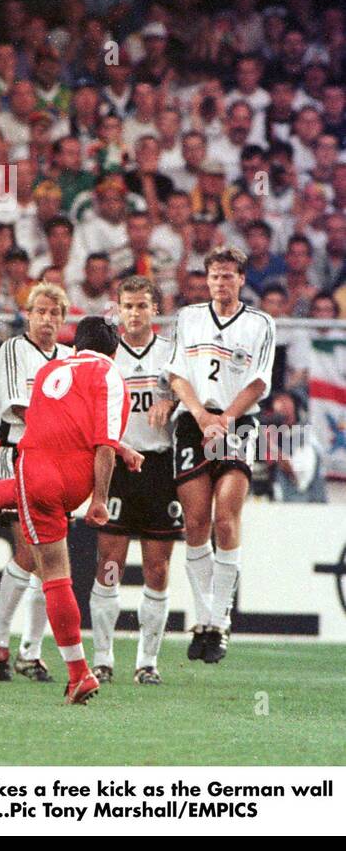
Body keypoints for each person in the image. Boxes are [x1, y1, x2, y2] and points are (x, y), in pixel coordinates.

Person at [15, 316, 142, 705]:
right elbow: (102, 441)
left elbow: (51, 426)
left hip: (37, 470)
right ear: (114, 352)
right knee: (58, 573)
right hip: (74, 479)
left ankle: (78, 674)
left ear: (74, 347)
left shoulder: (49, 369)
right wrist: (98, 497)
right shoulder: (110, 373)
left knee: (52, 574)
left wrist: (102, 496)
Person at [168, 246, 275, 664]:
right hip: (193, 422)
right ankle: (204, 618)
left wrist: (225, 419)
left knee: (226, 518)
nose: (220, 283)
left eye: (228, 275)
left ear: (241, 279)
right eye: (214, 276)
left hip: (237, 422)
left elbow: (259, 381)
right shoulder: (188, 318)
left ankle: (220, 619)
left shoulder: (259, 323)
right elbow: (177, 374)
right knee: (195, 522)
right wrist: (200, 414)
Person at [91, 276, 181, 687]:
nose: (134, 313)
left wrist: (172, 399)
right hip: (117, 467)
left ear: (154, 309)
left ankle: (147, 661)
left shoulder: (171, 353)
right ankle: (103, 658)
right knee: (110, 565)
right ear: (118, 310)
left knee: (156, 569)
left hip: (160, 468)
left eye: (142, 305)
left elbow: (191, 395)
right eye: (127, 306)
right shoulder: (107, 357)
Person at [0, 282, 73, 683]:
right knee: (30, 550)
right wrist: (65, 423)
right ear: (28, 315)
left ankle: (29, 650)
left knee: (50, 555)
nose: (47, 320)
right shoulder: (13, 350)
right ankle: (1, 635)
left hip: (58, 461)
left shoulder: (70, 358)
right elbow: (18, 406)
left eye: (54, 313)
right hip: (19, 454)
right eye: (40, 312)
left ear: (63, 319)